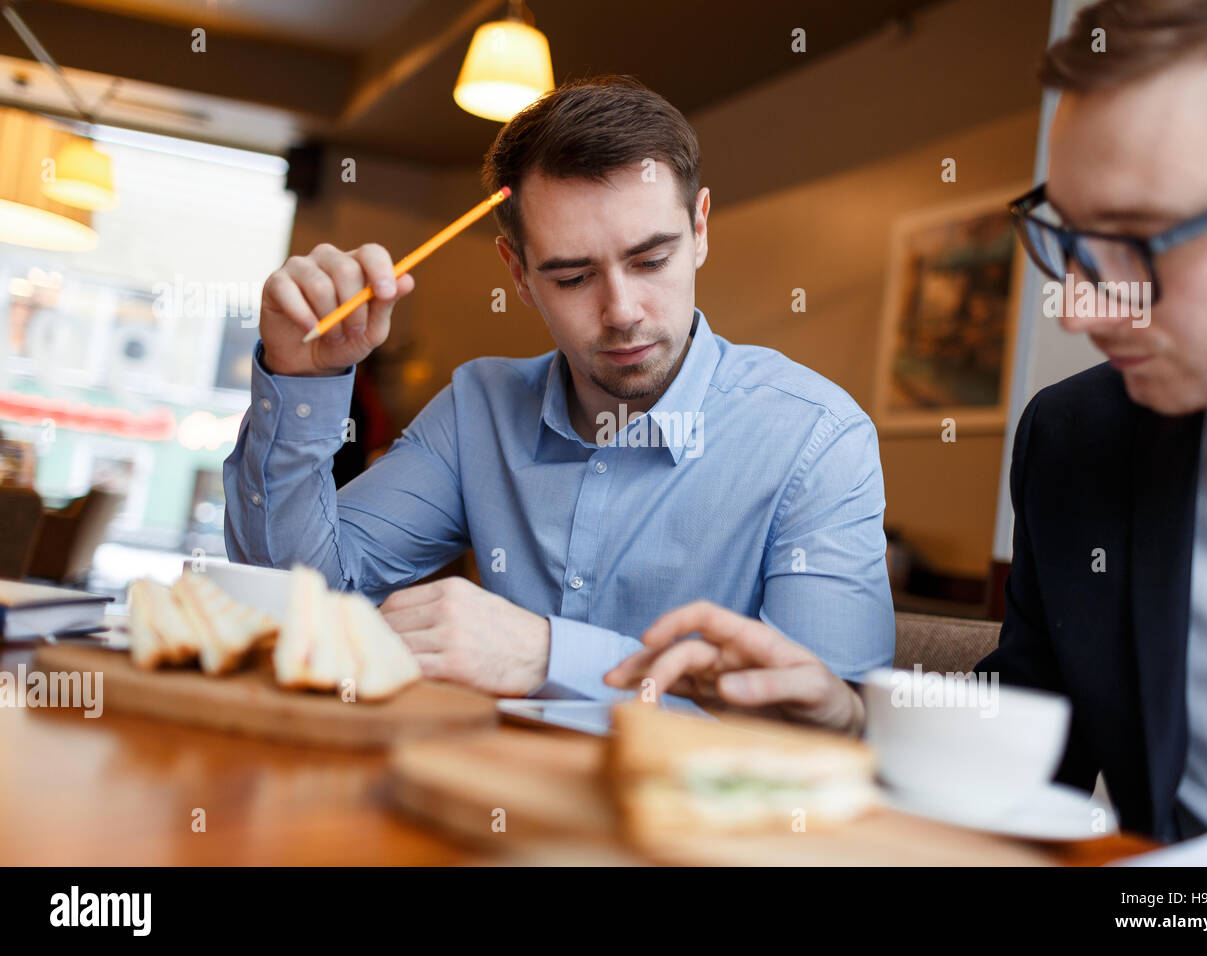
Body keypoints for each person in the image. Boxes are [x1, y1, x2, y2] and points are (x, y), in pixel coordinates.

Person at [607, 0, 1207, 841]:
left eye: (1141, 240)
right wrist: (848, 713)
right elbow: (1039, 736)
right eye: (1070, 239)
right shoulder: (1081, 437)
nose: (1078, 304)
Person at [223, 76, 894, 701]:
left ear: (700, 228)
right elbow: (293, 590)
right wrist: (300, 377)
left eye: (651, 260)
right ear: (518, 273)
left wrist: (551, 657)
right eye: (572, 277)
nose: (623, 309)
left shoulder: (816, 439)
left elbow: (827, 721)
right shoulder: (478, 411)